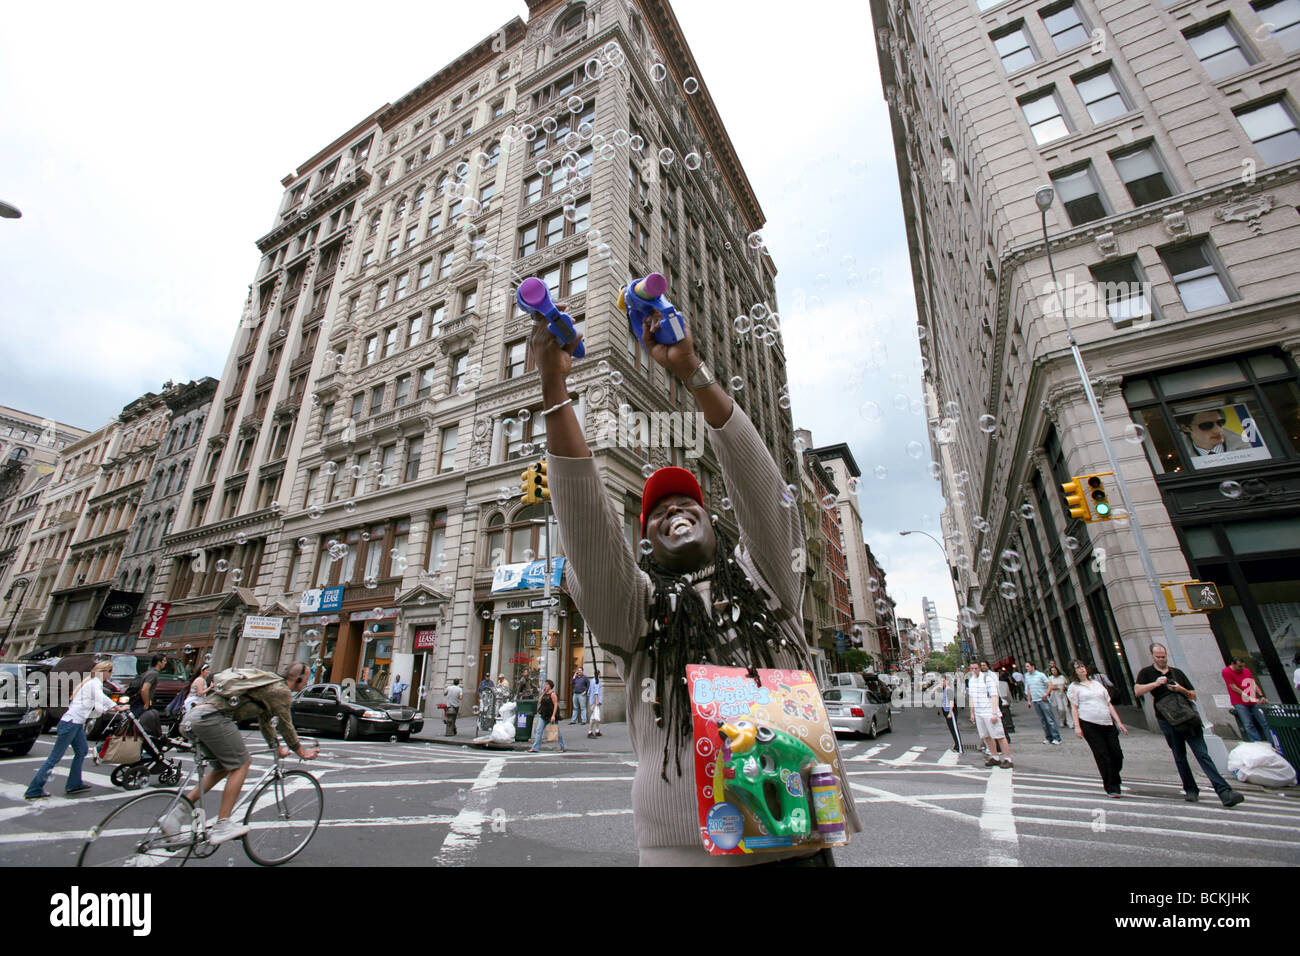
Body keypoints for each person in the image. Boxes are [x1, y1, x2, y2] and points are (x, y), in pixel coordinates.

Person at [533, 296, 860, 866]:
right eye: (658, 511)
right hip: (685, 849)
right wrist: (555, 392)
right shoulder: (634, 607)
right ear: (644, 542)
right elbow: (588, 526)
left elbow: (764, 494)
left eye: (689, 501)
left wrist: (692, 372)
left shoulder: (767, 581)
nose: (675, 509)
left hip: (799, 837)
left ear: (715, 522)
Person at [167, 661, 317, 844]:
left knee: (222, 767)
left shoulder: (267, 685)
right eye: (307, 679)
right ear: (298, 678)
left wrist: (276, 746)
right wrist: (300, 750)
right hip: (213, 718)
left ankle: (175, 816)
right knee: (241, 763)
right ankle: (223, 824)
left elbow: (265, 721)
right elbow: (286, 725)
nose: (307, 683)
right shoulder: (282, 691)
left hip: (194, 719)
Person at [1135, 643, 1244, 807]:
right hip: (1167, 720)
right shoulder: (1146, 673)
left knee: (1202, 754)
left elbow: (1193, 696)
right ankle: (1191, 790)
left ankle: (1224, 791)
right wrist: (1155, 684)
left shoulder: (1177, 673)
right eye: (1158, 657)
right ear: (1152, 656)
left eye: (1164, 656)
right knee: (1180, 756)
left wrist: (1180, 689)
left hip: (1188, 719)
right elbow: (1137, 691)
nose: (1162, 659)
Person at [26, 660, 127, 799]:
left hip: (75, 723)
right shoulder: (94, 683)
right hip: (71, 723)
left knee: (82, 751)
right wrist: (118, 708)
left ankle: (74, 784)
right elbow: (99, 704)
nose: (111, 674)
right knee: (54, 758)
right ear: (103, 671)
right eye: (110, 671)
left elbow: (102, 699)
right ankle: (34, 790)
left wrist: (113, 707)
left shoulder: (91, 682)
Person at [1067, 660, 1129, 797]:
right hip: (1089, 723)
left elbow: (1109, 704)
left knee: (1117, 754)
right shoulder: (1074, 687)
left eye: (1082, 666)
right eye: (1078, 668)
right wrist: (1077, 726)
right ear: (1074, 671)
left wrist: (1119, 722)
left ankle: (1114, 776)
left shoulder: (1097, 684)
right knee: (1102, 755)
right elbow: (1074, 708)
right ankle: (1112, 787)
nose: (1082, 669)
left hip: (1107, 722)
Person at [969, 661, 1011, 768]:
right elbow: (971, 698)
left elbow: (994, 696)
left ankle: (1007, 759)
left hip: (989, 711)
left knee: (1000, 735)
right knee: (986, 736)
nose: (974, 671)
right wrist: (972, 713)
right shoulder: (971, 681)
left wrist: (994, 713)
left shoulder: (987, 679)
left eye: (976, 668)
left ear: (980, 669)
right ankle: (995, 757)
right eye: (972, 669)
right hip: (979, 713)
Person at [1221, 657, 1269, 743]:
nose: (1242, 668)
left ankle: (1272, 741)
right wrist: (1248, 697)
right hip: (1240, 701)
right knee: (1248, 724)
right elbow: (1233, 687)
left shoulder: (1246, 671)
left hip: (1252, 700)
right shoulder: (1226, 672)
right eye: (1239, 666)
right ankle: (1257, 742)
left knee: (1264, 722)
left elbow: (1253, 683)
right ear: (1233, 664)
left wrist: (1261, 695)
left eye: (1243, 666)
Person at [1023, 662, 1062, 744]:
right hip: (1035, 700)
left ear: (1033, 666)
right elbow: (1028, 688)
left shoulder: (1040, 675)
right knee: (1043, 720)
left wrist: (1046, 694)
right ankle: (1048, 737)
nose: (1026, 668)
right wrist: (1029, 700)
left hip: (1043, 700)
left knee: (1049, 719)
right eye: (1026, 667)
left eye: (1028, 666)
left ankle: (1056, 737)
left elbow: (1050, 685)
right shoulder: (1027, 676)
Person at [528, 678, 567, 752]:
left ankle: (563, 746)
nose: (545, 686)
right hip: (543, 715)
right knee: (539, 730)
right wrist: (543, 693)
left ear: (550, 686)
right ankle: (535, 748)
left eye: (547, 685)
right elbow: (539, 702)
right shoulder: (544, 694)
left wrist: (553, 715)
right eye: (545, 684)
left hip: (550, 715)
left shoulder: (553, 694)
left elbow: (555, 705)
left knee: (556, 732)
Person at [939, 675, 962, 753]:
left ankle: (960, 747)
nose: (942, 682)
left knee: (955, 729)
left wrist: (950, 713)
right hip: (946, 711)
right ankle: (956, 745)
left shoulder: (949, 690)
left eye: (943, 681)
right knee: (951, 729)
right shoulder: (944, 689)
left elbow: (951, 702)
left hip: (950, 711)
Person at [1046, 663, 1071, 730]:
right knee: (1060, 709)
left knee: (1067, 708)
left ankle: (1070, 722)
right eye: (1052, 671)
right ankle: (1062, 720)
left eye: (1055, 670)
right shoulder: (1050, 678)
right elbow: (1049, 686)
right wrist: (1054, 688)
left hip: (1063, 693)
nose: (1054, 672)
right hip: (1056, 694)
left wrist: (1065, 687)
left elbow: (1066, 684)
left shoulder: (1062, 677)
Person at [587, 672, 603, 738]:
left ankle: (597, 731)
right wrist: (597, 701)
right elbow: (596, 692)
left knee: (596, 716)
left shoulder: (592, 681)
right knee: (593, 717)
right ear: (599, 674)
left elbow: (589, 691)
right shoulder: (597, 681)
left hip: (592, 700)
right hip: (595, 701)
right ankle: (590, 732)